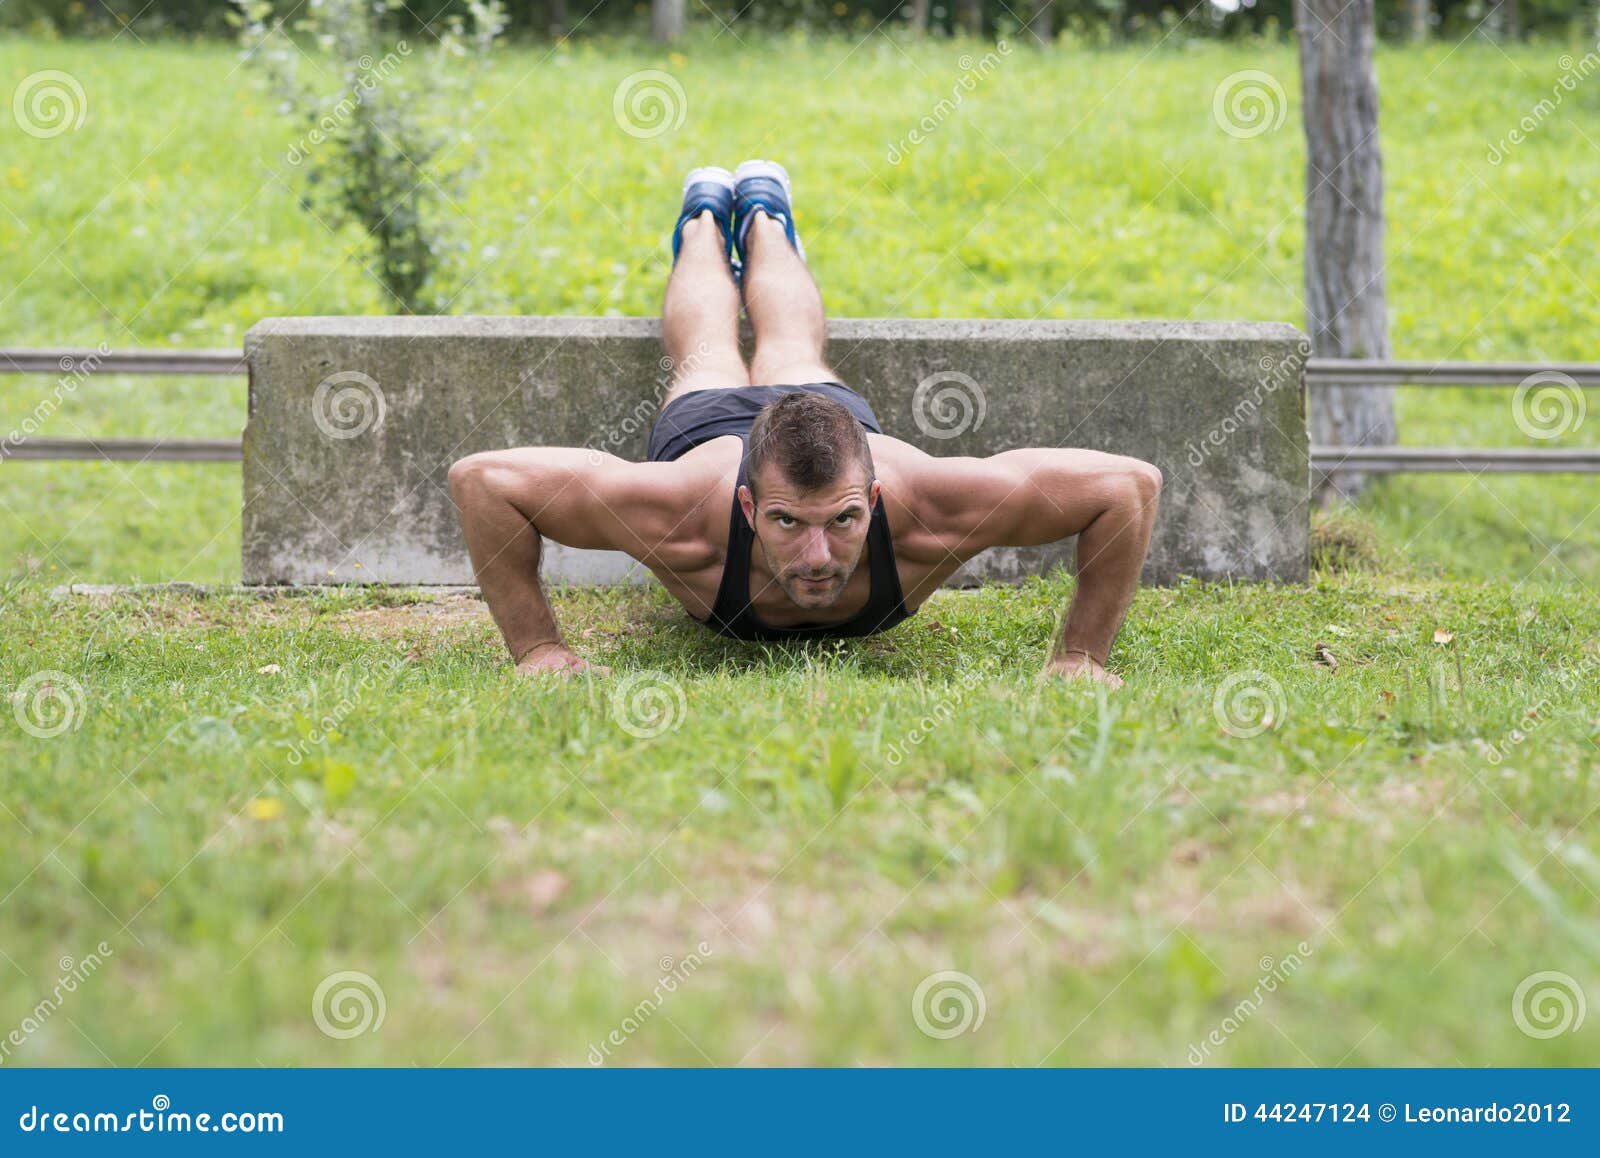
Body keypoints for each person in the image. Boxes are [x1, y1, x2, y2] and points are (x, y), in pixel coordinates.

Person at [448, 161, 1161, 687]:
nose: (819, 555)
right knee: (707, 354)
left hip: (825, 421)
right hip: (710, 438)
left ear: (875, 496)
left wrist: (1081, 656)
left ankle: (763, 211)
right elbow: (484, 482)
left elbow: (1127, 487)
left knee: (791, 349)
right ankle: (702, 218)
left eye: (844, 520)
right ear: (749, 506)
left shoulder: (934, 505)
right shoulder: (684, 516)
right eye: (789, 523)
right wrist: (539, 649)